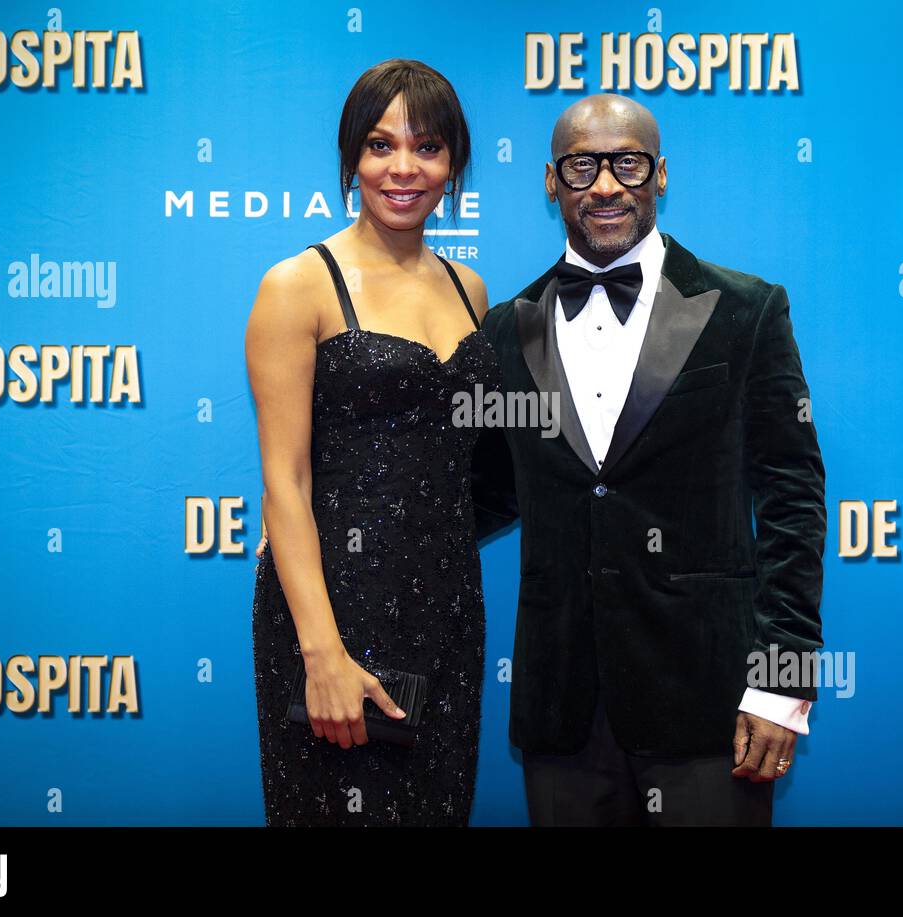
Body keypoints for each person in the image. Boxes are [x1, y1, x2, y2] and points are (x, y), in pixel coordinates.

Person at [472, 94, 827, 826]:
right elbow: (486, 493)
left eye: (627, 162)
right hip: (562, 710)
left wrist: (781, 684)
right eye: (583, 166)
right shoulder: (506, 327)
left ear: (659, 174)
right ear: (550, 181)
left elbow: (793, 498)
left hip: (712, 707)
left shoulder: (746, 309)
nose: (606, 185)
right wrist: (347, 528)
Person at [246, 59, 498, 826]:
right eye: (381, 145)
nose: (404, 168)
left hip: (447, 613)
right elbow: (283, 482)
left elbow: (468, 464)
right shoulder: (298, 284)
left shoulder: (471, 288)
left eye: (427, 147)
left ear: (453, 163)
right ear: (351, 157)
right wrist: (321, 653)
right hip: (335, 615)